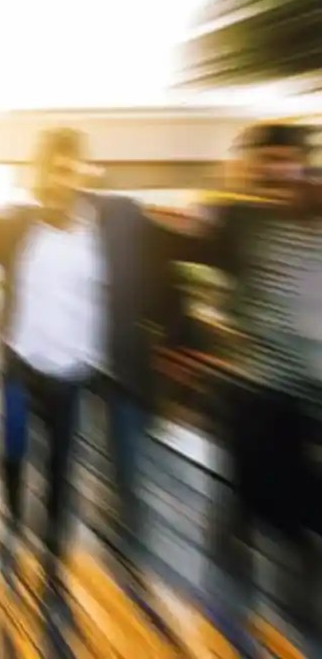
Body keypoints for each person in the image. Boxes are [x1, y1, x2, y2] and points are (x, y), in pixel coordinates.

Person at [0, 127, 183, 595]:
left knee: (61, 466)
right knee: (13, 448)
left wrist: (174, 331)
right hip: (21, 362)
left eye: (68, 169)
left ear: (82, 171)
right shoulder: (19, 223)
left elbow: (166, 255)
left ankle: (52, 555)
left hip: (72, 370)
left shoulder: (105, 224)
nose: (60, 179)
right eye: (52, 170)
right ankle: (13, 516)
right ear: (40, 174)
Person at [167, 123, 320, 634]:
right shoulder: (238, 218)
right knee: (240, 498)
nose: (275, 170)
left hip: (308, 393)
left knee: (298, 508)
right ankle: (231, 603)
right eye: (265, 160)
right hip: (252, 387)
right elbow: (187, 245)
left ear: (302, 163)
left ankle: (294, 603)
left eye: (284, 160)